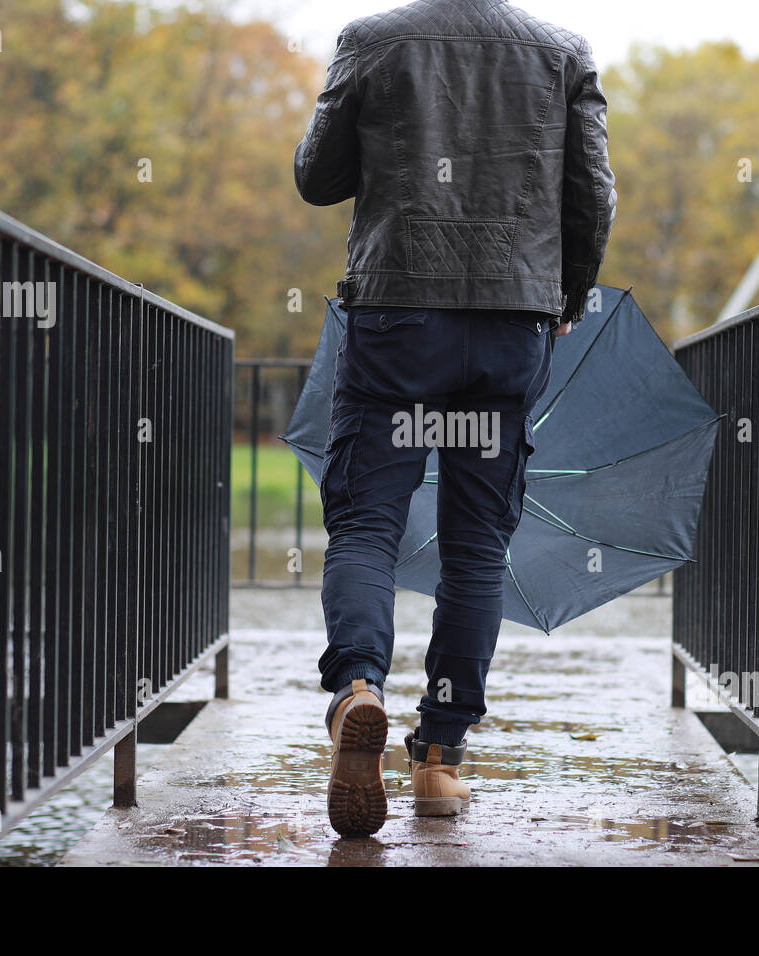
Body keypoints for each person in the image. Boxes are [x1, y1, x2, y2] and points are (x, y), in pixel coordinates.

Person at [293, 0, 616, 836]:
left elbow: (317, 179)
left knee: (366, 524)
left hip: (399, 317)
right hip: (512, 323)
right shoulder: (563, 52)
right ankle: (440, 762)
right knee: (477, 546)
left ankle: (357, 689)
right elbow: (593, 197)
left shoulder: (372, 41)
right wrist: (567, 295)